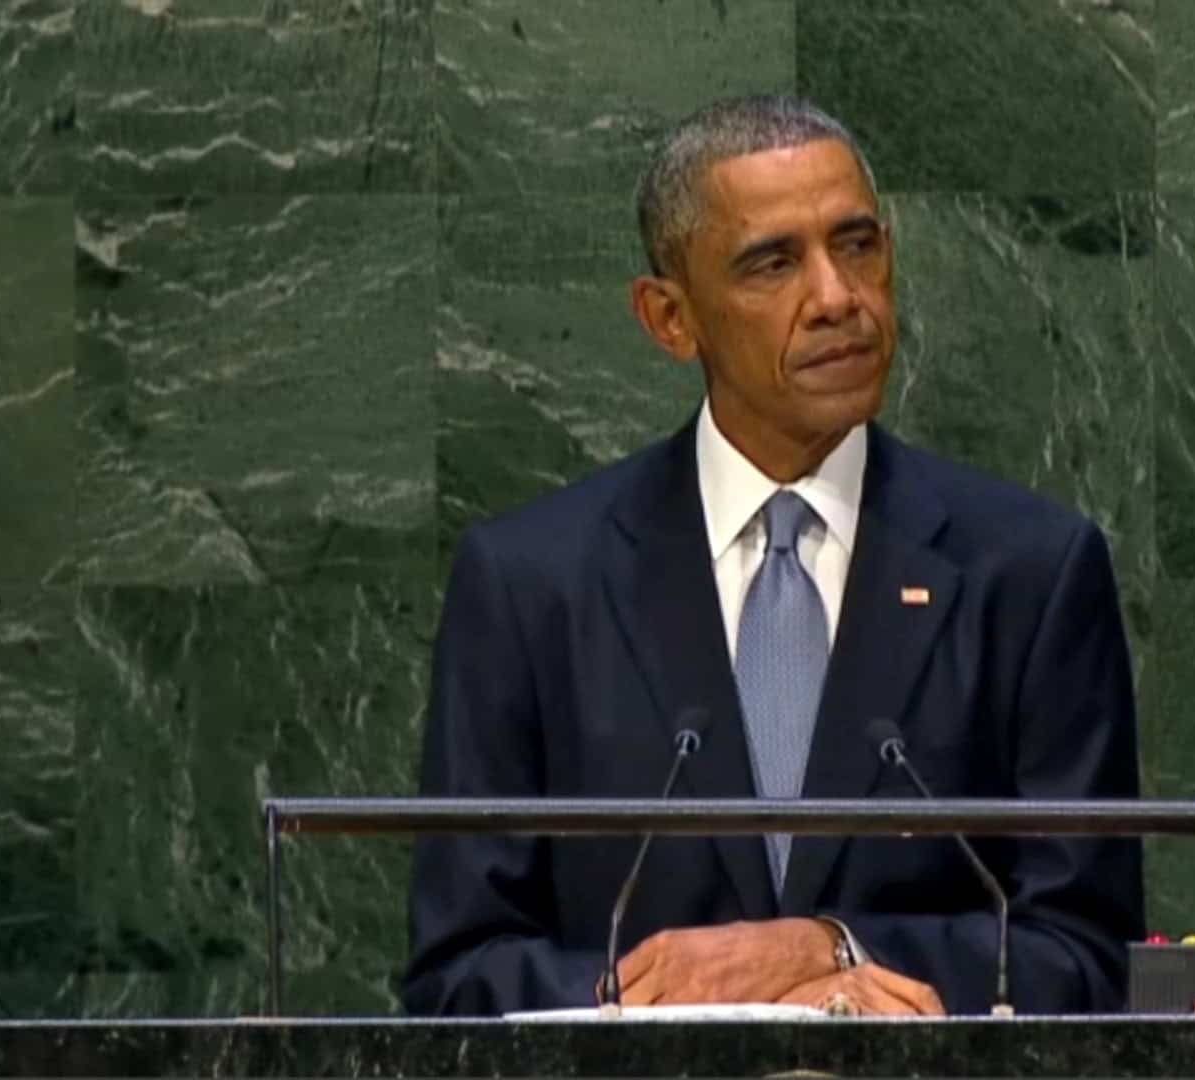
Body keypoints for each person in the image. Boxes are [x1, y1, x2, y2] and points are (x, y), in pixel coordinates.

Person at [404, 94, 1143, 1017]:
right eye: (772, 263)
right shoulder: (530, 586)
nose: (837, 298)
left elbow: (1087, 954)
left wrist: (831, 952)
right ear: (671, 319)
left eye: (859, 245)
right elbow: (458, 976)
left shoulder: (1030, 573)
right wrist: (665, 1004)